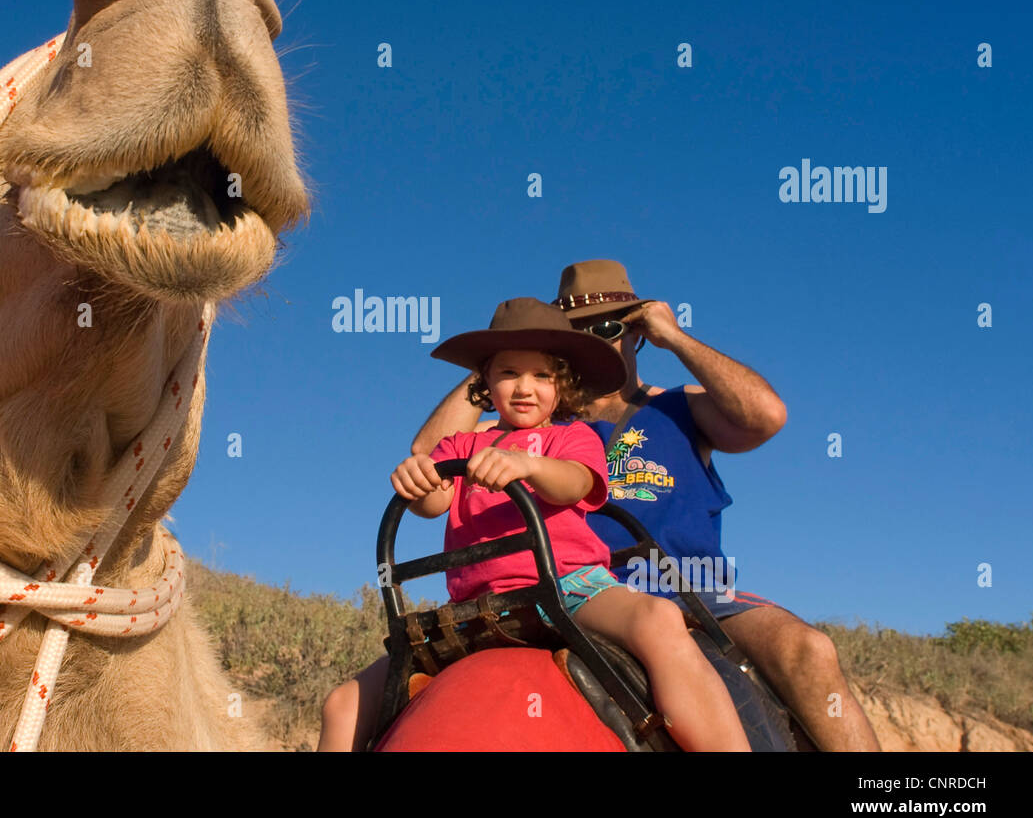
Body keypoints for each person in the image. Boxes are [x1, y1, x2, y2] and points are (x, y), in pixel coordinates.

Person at [412, 261, 881, 751]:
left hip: (685, 585)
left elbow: (765, 415)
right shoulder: (522, 432)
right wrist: (493, 358)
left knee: (808, 650)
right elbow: (428, 458)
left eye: (610, 328)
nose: (594, 339)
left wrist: (674, 337)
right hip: (561, 581)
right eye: (577, 332)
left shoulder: (681, 407)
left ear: (635, 333)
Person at [318, 297, 751, 752]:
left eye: (542, 375)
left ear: (561, 385)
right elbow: (433, 503)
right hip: (474, 606)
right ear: (484, 381)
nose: (525, 387)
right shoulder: (464, 443)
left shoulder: (572, 436)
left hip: (570, 585)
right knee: (342, 704)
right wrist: (418, 479)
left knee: (658, 619)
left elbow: (576, 483)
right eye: (508, 373)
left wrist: (528, 464)